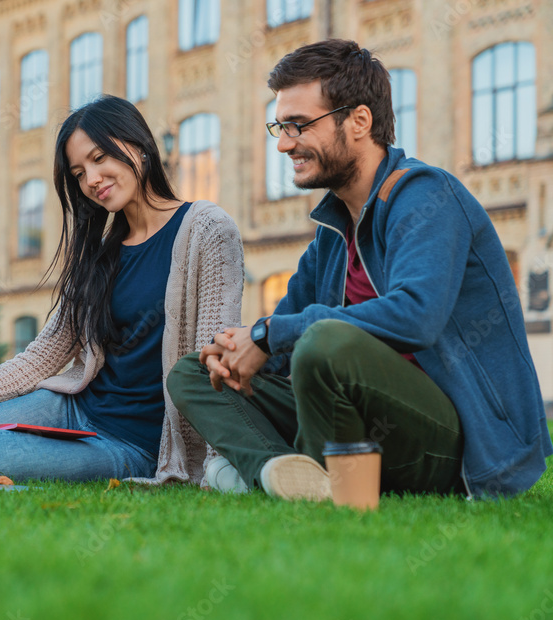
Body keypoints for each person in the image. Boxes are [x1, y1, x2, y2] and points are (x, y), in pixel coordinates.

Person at [168, 39, 551, 500]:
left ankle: (290, 474)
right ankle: (280, 473)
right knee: (192, 371)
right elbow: (284, 341)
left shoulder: (426, 196)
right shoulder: (333, 229)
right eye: (280, 127)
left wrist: (270, 334)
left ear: (359, 121)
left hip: (452, 442)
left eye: (298, 125)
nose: (285, 143)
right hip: (355, 425)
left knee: (325, 341)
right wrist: (239, 349)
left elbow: (416, 316)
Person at [0, 95, 243, 483]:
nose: (91, 180)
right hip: (72, 407)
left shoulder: (207, 230)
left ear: (137, 146)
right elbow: (40, 358)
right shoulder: (100, 252)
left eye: (99, 158)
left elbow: (212, 360)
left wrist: (217, 464)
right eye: (79, 172)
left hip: (132, 444)